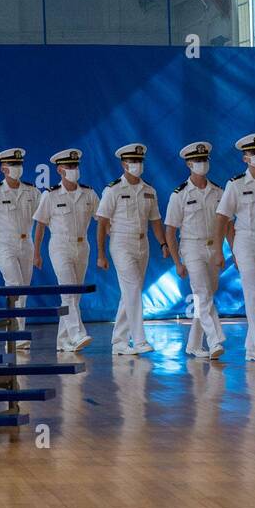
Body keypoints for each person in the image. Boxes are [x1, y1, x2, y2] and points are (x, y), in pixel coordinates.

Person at [96, 143, 167, 356]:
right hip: (120, 242)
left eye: (139, 161)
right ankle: (139, 340)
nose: (137, 165)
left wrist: (163, 243)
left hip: (142, 243)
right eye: (133, 161)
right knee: (133, 288)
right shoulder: (113, 189)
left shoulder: (149, 191)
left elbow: (155, 221)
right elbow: (101, 222)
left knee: (130, 292)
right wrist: (100, 254)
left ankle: (118, 341)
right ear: (124, 163)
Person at [217, 133, 255, 363]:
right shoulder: (235, 184)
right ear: (244, 158)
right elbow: (222, 218)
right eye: (253, 153)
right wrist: (228, 249)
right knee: (253, 291)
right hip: (245, 239)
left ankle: (251, 345)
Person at [164, 141, 225, 360]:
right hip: (191, 247)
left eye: (204, 160)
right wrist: (177, 263)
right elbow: (170, 231)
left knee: (207, 295)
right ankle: (215, 339)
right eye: (198, 161)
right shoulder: (178, 194)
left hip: (212, 246)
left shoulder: (218, 191)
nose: (202, 164)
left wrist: (224, 251)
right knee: (202, 294)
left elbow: (225, 224)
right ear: (189, 164)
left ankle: (193, 344)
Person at [33, 148, 98, 353]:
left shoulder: (88, 193)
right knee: (68, 291)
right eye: (70, 166)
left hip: (82, 245)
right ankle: (77, 333)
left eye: (76, 165)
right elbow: (40, 225)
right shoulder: (50, 195)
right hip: (60, 245)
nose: (74, 169)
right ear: (60, 170)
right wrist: (36, 253)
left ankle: (63, 340)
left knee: (73, 296)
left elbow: (103, 218)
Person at [0, 147, 41, 350]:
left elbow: (42, 217)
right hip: (4, 242)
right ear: (3, 168)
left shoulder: (31, 191)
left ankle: (18, 334)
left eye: (19, 164)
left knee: (23, 290)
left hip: (27, 242)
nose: (17, 168)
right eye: (13, 165)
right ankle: (12, 336)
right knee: (13, 285)